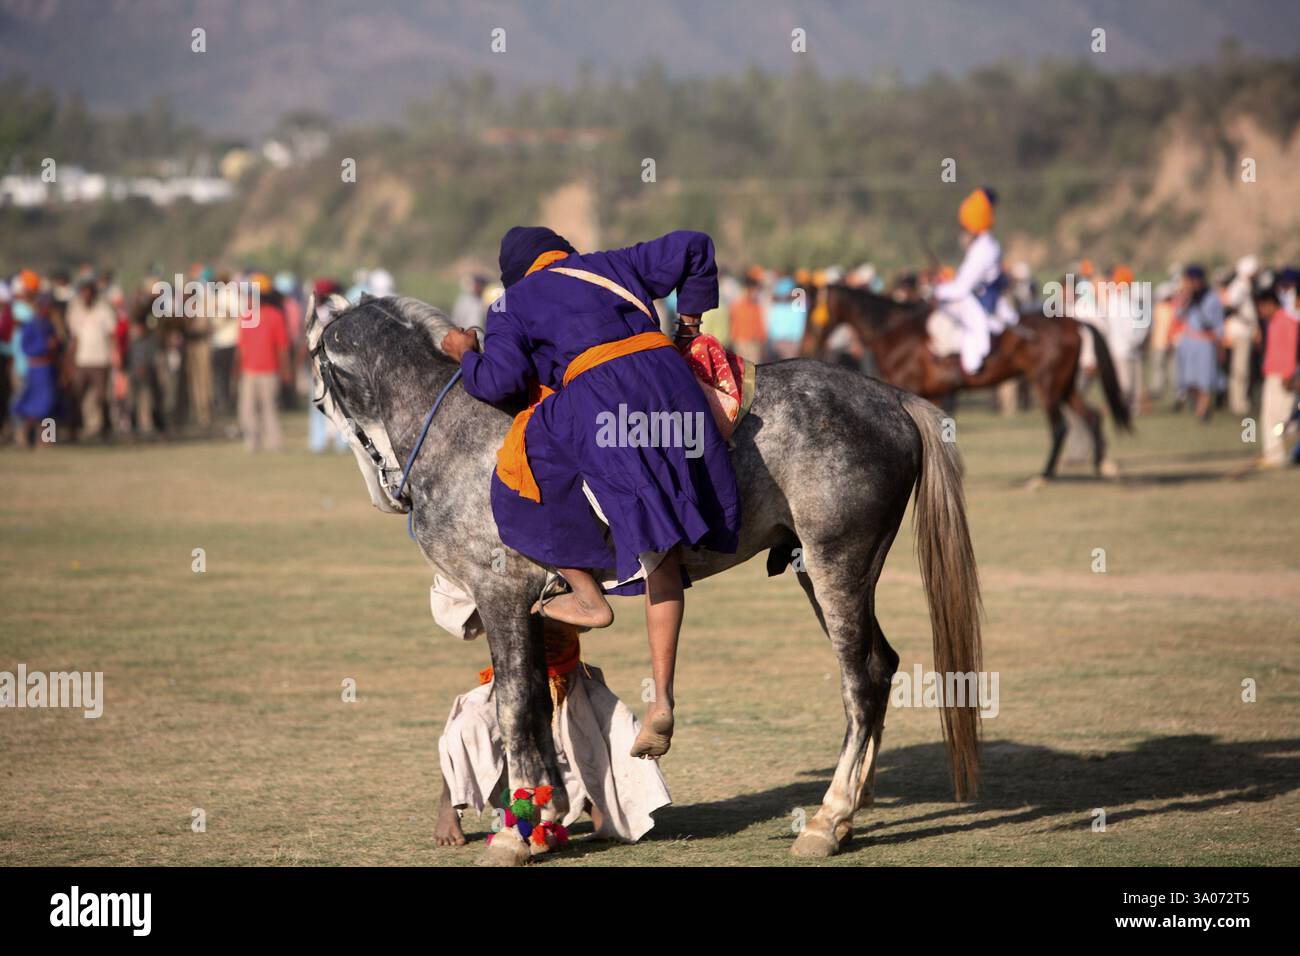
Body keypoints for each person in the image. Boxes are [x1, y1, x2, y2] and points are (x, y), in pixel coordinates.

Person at [440, 226, 741, 759]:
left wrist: (466, 353)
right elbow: (696, 244)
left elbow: (499, 383)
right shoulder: (613, 263)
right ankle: (662, 699)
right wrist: (689, 329)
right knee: (662, 549)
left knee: (518, 479)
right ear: (562, 252)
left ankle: (587, 597)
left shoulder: (511, 302)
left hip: (603, 400)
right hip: (672, 387)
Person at [435, 619, 670, 848]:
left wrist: (556, 605)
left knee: (624, 731)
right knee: (463, 730)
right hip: (509, 687)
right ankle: (450, 801)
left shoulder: (568, 583)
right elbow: (468, 624)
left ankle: (600, 805)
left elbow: (596, 617)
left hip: (570, 684)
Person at [934, 187, 1015, 376]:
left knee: (940, 323)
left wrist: (936, 291)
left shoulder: (983, 249)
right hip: (975, 298)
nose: (962, 234)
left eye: (964, 229)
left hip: (980, 303)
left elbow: (961, 288)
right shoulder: (981, 246)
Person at [237, 274, 290, 452]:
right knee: (248, 410)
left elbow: (282, 347)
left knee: (269, 410)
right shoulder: (246, 316)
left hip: (269, 371)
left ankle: (275, 444)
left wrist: (286, 370)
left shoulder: (275, 316)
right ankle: (252, 444)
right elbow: (241, 345)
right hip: (249, 371)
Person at [66, 275, 117, 440]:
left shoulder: (104, 309)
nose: (86, 295)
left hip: (100, 360)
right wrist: (69, 361)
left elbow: (112, 334)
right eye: (83, 292)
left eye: (89, 291)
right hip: (82, 360)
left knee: (102, 398)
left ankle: (105, 431)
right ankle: (73, 431)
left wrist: (115, 356)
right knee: (76, 395)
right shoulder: (75, 309)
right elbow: (74, 338)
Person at [11, 292, 61, 447]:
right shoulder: (30, 325)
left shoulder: (50, 325)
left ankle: (47, 440)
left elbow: (56, 346)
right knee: (31, 405)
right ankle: (25, 438)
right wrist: (45, 346)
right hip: (35, 369)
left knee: (48, 404)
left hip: (48, 369)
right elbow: (26, 348)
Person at [1255, 287, 1297, 467]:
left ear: (1271, 304)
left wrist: (1289, 374)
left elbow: (1292, 350)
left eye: (1263, 307)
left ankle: (1281, 453)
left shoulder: (1289, 322)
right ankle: (1273, 456)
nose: (1261, 311)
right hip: (1271, 374)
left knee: (1284, 417)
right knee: (1269, 416)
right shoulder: (1271, 323)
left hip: (1284, 375)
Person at [727, 274, 766, 363]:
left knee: (753, 371)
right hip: (740, 344)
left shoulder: (756, 307)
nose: (755, 292)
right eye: (753, 290)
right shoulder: (736, 306)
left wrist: (761, 343)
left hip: (753, 344)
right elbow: (732, 325)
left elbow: (760, 327)